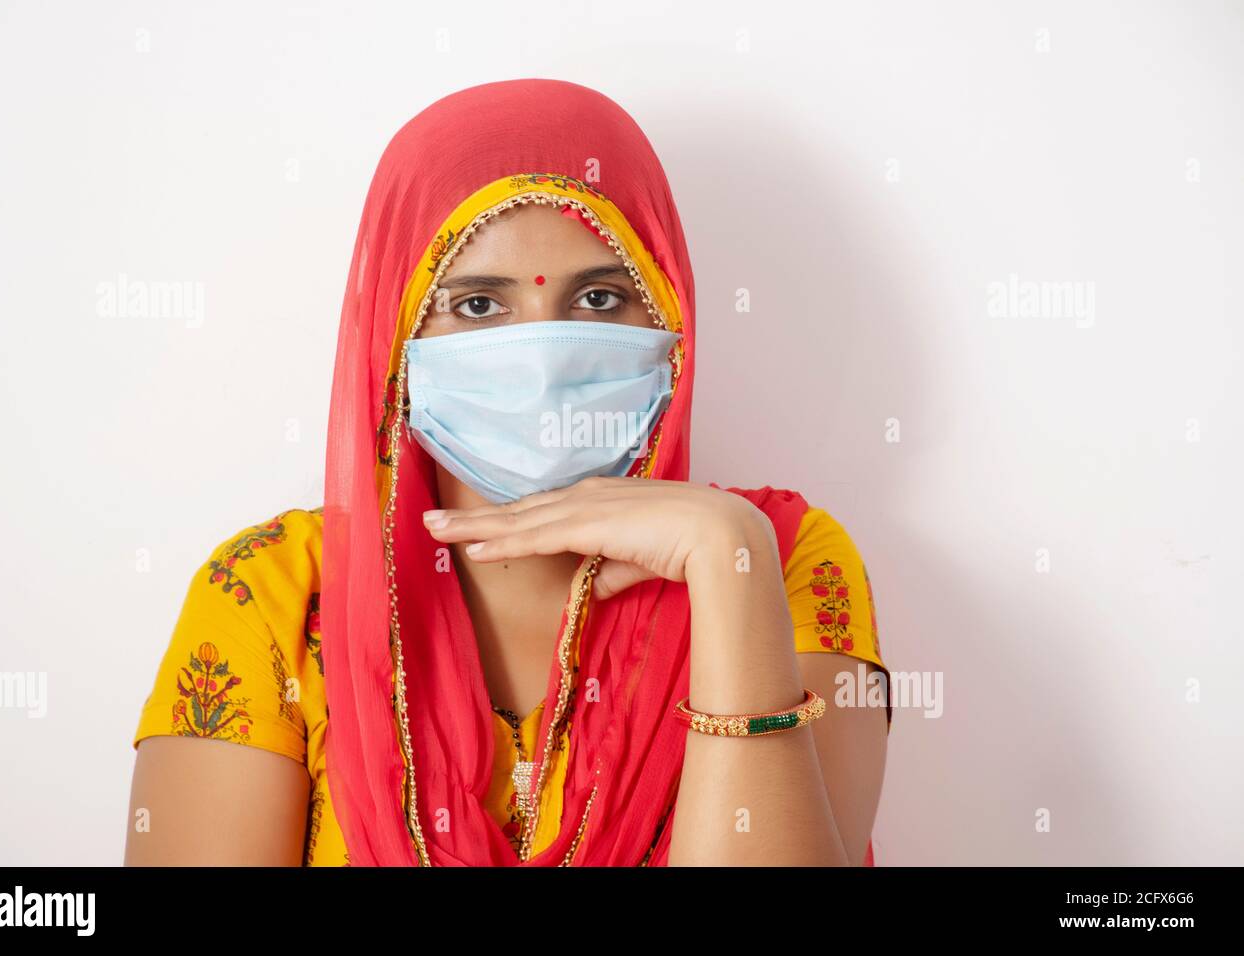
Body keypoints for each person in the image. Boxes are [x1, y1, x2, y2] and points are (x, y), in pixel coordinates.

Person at [125, 78, 890, 867]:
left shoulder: (776, 556)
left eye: (599, 298)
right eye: (479, 307)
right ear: (395, 329)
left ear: (669, 311)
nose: (545, 360)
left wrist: (727, 567)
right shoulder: (278, 594)